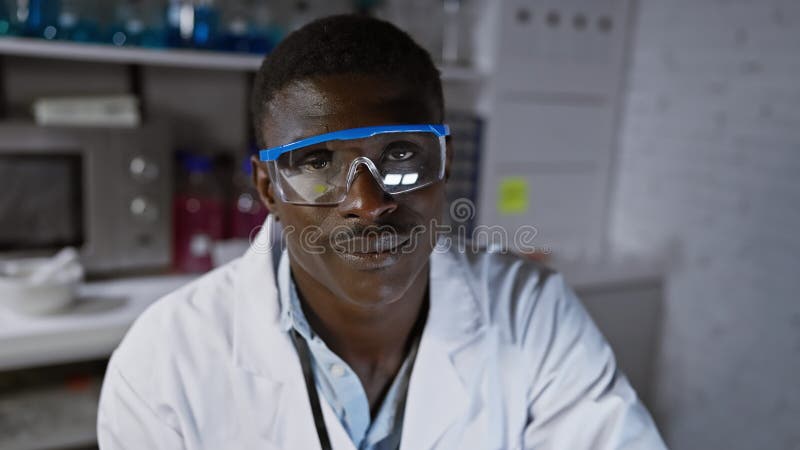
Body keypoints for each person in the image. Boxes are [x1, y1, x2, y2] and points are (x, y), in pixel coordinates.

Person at [97, 15, 667, 450]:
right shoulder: (164, 361)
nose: (368, 204)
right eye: (318, 162)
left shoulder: (533, 313)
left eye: (401, 154)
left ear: (444, 161)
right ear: (268, 189)